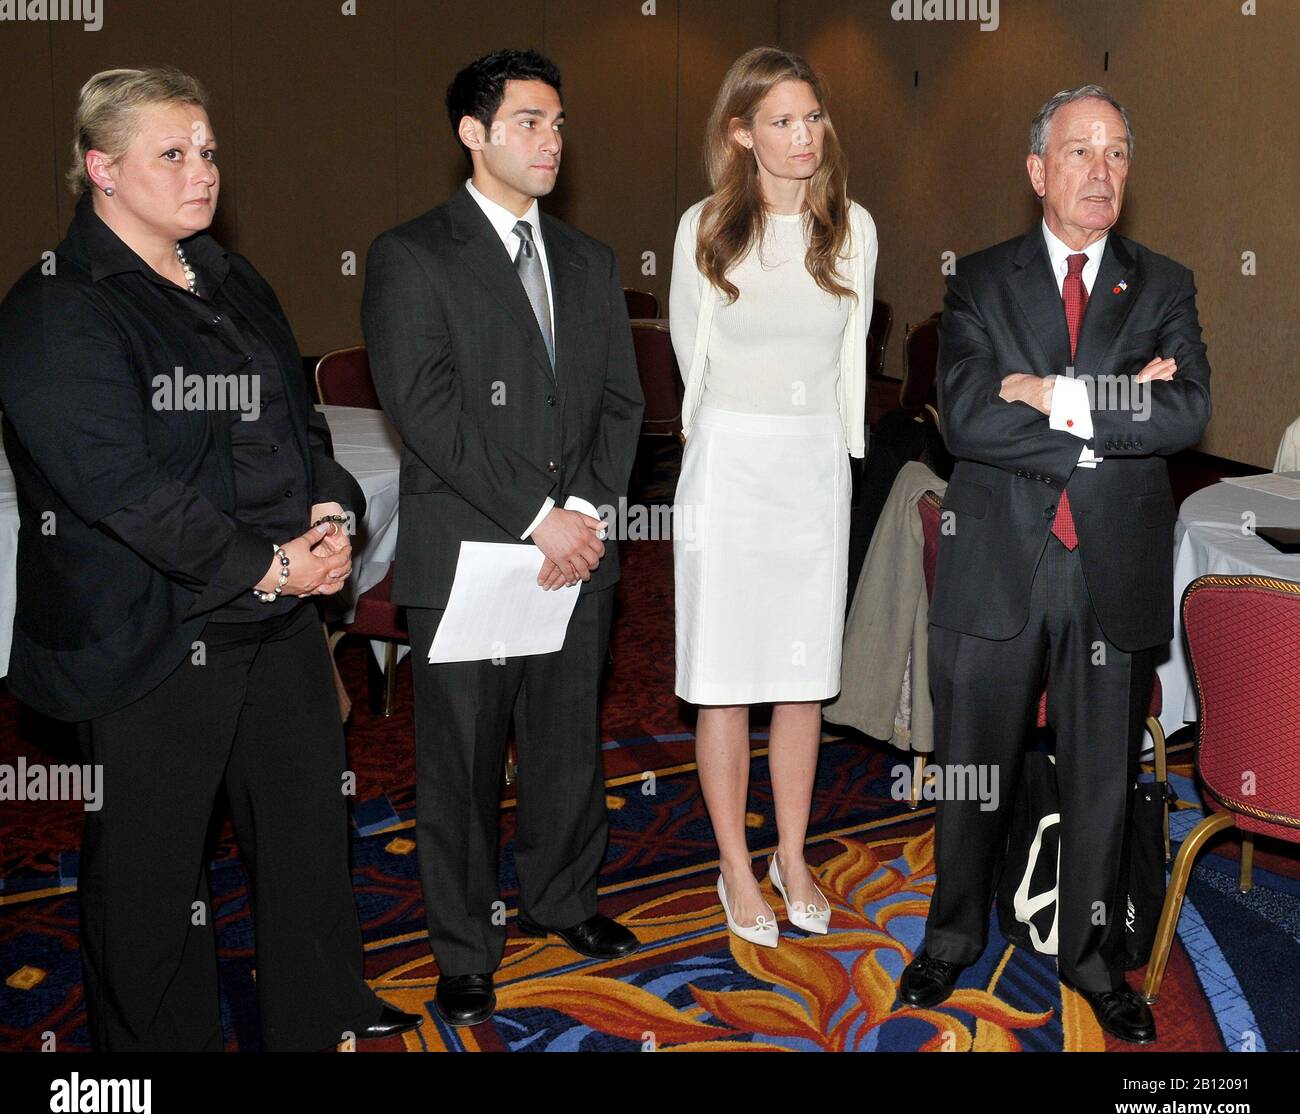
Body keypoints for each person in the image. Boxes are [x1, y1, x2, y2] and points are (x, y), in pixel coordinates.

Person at [0, 67, 420, 1050]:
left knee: (304, 826)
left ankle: (320, 1011)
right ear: (102, 169)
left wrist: (330, 512)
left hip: (271, 615)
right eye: (173, 154)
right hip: (156, 623)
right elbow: (123, 491)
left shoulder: (228, 276)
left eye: (209, 150)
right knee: (151, 871)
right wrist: (273, 567)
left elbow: (298, 424)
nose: (203, 172)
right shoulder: (59, 310)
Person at [898, 84, 1211, 1044]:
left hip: (1109, 567)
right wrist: (1118, 409)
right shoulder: (979, 280)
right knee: (970, 768)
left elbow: (1188, 413)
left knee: (1102, 776)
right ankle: (950, 937)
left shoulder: (1163, 284)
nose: (1101, 172)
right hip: (998, 563)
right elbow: (973, 421)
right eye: (1080, 152)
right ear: (1038, 171)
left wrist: (1056, 396)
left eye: (1117, 153)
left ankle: (1092, 954)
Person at [362, 49, 645, 1027]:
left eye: (559, 123)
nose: (550, 141)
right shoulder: (412, 253)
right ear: (471, 134)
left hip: (579, 557)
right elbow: (427, 411)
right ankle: (463, 945)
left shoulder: (590, 259)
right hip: (475, 553)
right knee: (463, 762)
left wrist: (591, 514)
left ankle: (564, 899)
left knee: (568, 744)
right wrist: (539, 517)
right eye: (528, 121)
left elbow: (621, 402)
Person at [669, 47, 876, 947]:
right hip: (730, 468)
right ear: (741, 132)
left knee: (800, 681)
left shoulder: (854, 228)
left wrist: (840, 460)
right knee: (723, 681)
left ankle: (793, 853)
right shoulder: (707, 226)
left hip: (814, 469)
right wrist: (723, 454)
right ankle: (733, 866)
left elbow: (851, 358)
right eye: (781, 121)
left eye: (813, 117)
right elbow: (691, 362)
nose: (803, 136)